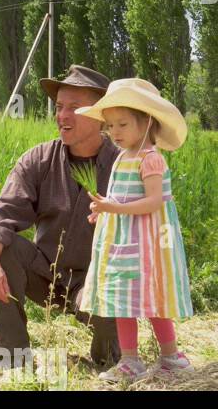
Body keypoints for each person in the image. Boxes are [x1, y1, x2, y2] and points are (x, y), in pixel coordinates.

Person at [0, 65, 121, 368]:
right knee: (3, 250)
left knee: (113, 363)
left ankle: (110, 360)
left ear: (102, 114)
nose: (62, 116)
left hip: (98, 283)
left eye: (74, 108)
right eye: (59, 107)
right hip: (43, 274)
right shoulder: (38, 159)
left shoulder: (125, 166)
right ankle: (13, 358)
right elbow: (3, 211)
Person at [76, 78, 193, 382]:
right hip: (124, 240)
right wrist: (103, 210)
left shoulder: (150, 159)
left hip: (150, 243)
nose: (114, 132)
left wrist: (114, 209)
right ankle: (130, 360)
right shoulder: (122, 158)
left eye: (122, 124)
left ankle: (171, 357)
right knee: (122, 299)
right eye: (110, 125)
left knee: (154, 296)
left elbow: (153, 202)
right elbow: (120, 198)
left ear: (147, 122)